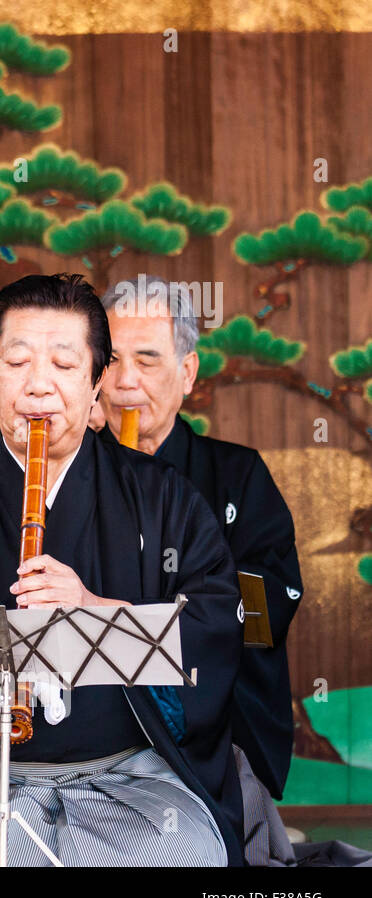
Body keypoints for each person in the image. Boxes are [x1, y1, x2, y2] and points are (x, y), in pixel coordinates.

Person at [0, 273, 245, 866]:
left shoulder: (164, 500)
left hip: (128, 777)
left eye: (63, 365)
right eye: (17, 363)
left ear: (95, 382)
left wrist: (93, 613)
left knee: (180, 855)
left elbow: (214, 631)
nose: (39, 388)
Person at [97, 275, 303, 865]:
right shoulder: (70, 475)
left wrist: (153, 601)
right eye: (109, 360)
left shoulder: (236, 477)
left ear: (187, 373)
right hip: (87, 732)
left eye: (147, 359)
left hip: (208, 725)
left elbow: (265, 613)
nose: (125, 381)